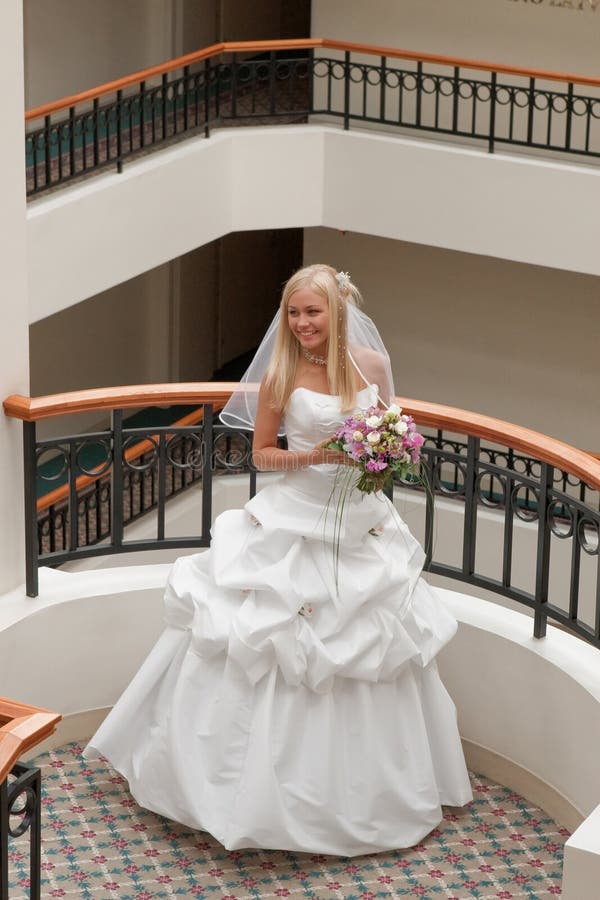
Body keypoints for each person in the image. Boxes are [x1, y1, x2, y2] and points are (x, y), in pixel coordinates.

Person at [85, 263, 472, 856]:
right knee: (265, 641)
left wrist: (379, 458)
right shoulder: (280, 372)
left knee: (366, 645)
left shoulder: (373, 366)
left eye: (312, 312)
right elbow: (262, 456)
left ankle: (359, 793)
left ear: (338, 312)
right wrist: (318, 457)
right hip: (291, 517)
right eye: (293, 313)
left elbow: (390, 431)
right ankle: (234, 790)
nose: (301, 324)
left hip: (358, 521)